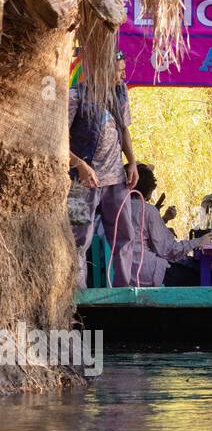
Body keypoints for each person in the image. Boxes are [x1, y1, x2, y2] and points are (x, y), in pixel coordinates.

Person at [68, 50, 139, 286]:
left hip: (116, 179)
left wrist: (132, 162)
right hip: (82, 182)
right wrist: (80, 166)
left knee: (124, 236)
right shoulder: (76, 96)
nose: (123, 75)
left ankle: (124, 289)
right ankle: (78, 295)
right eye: (119, 70)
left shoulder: (121, 93)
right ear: (104, 70)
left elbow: (125, 130)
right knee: (78, 239)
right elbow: (57, 142)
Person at [117, 164, 212, 287]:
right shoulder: (147, 210)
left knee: (189, 267)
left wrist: (164, 219)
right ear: (148, 189)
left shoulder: (116, 209)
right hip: (144, 271)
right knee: (201, 274)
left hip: (123, 270)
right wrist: (200, 241)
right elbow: (168, 250)